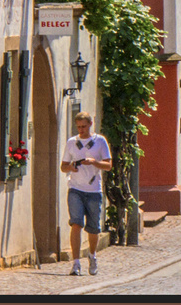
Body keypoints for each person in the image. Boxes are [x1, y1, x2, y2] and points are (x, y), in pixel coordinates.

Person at [61, 111, 113, 275]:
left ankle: (92, 255)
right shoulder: (71, 142)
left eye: (84, 126)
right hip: (75, 189)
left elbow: (108, 165)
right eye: (78, 127)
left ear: (90, 124)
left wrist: (94, 162)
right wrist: (71, 168)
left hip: (93, 190)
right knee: (76, 224)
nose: (81, 130)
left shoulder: (100, 141)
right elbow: (63, 167)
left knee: (93, 228)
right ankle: (76, 263)